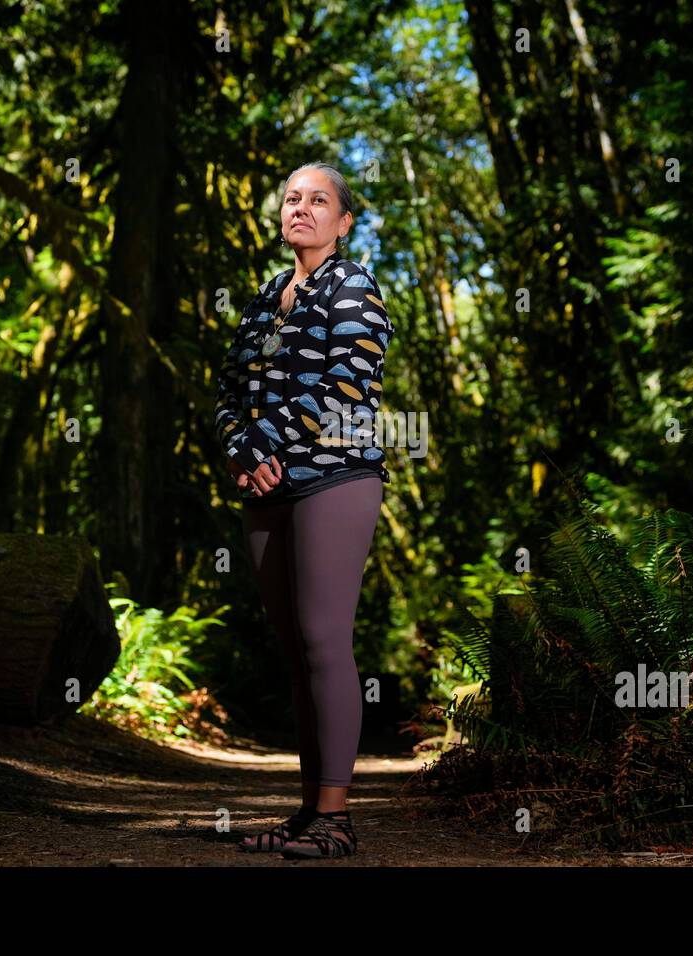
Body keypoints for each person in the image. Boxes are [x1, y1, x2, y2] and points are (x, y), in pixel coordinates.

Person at [212, 162, 394, 859]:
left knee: (323, 641)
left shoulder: (354, 285)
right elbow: (231, 384)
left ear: (343, 221)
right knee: (295, 654)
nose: (302, 209)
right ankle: (308, 810)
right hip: (264, 485)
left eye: (319, 200)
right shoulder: (264, 297)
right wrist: (240, 450)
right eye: (292, 198)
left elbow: (350, 382)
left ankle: (337, 819)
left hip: (337, 479)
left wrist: (264, 441)